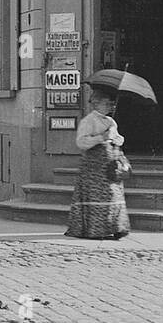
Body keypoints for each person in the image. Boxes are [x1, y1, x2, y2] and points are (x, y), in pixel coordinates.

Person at [64, 85, 130, 240]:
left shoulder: (111, 121)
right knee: (98, 196)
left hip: (110, 165)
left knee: (113, 194)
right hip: (93, 167)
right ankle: (95, 230)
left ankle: (116, 227)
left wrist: (116, 137)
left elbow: (119, 139)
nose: (110, 106)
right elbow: (81, 142)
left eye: (111, 104)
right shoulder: (88, 121)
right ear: (96, 104)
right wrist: (101, 137)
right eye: (106, 103)